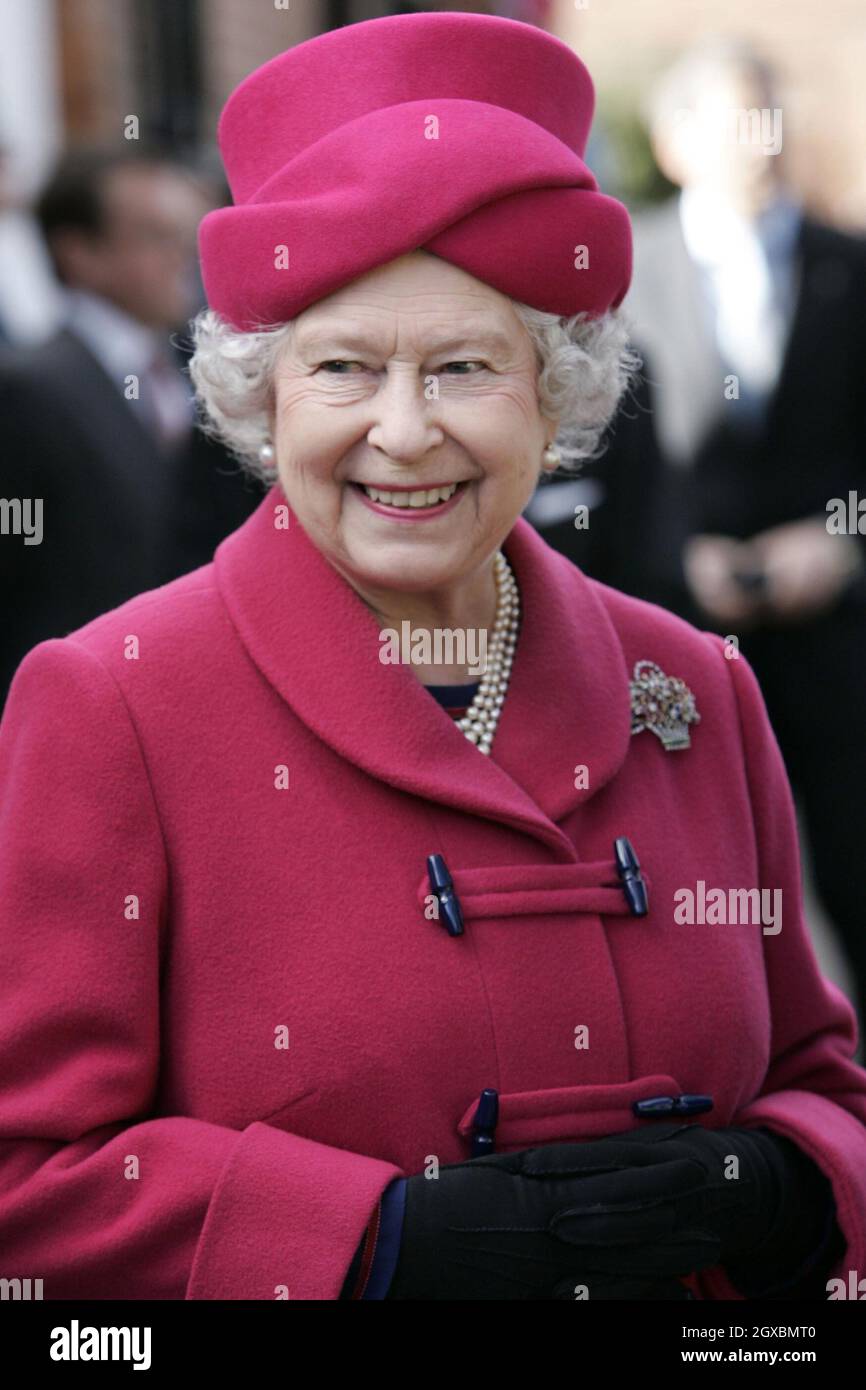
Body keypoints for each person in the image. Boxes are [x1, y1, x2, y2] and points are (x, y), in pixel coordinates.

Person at [0, 11, 864, 1302]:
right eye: (343, 366)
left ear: (555, 390)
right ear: (262, 389)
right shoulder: (111, 701)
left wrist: (782, 1193)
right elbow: (33, 1182)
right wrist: (374, 1243)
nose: (403, 434)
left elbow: (821, 1083)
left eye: (464, 366)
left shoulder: (692, 686)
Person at [583, 39, 866, 1038]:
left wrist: (841, 543)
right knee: (687, 896)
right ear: (670, 142)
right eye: (731, 118)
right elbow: (597, 455)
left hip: (834, 643)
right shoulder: (618, 279)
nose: (759, 144)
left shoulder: (850, 266)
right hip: (675, 641)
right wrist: (672, 559)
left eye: (768, 116)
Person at [0, 147, 262, 705]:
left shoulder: (198, 366)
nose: (180, 257)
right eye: (152, 236)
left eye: (181, 235)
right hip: (85, 704)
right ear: (80, 252)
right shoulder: (26, 390)